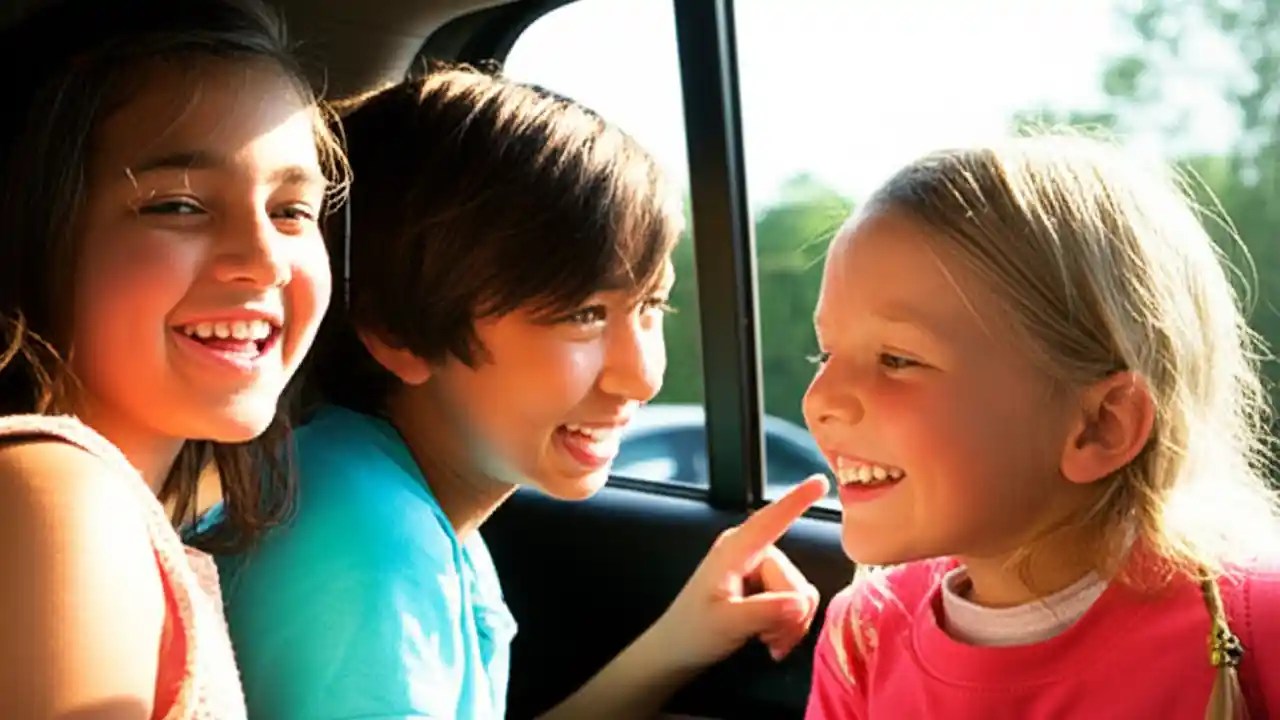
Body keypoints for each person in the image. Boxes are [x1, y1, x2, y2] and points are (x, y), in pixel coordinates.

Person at [218, 65, 827, 720]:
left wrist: (681, 640)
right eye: (584, 315)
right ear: (400, 331)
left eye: (652, 306)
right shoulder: (368, 543)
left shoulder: (395, 495)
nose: (644, 376)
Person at [802, 134, 1280, 718]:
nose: (820, 399)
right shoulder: (863, 638)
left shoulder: (1254, 625)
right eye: (825, 355)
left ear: (1100, 425)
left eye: (898, 360)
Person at [0, 0, 346, 716]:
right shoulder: (56, 495)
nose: (265, 261)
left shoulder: (108, 511)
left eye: (291, 211)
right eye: (179, 206)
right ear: (28, 228)